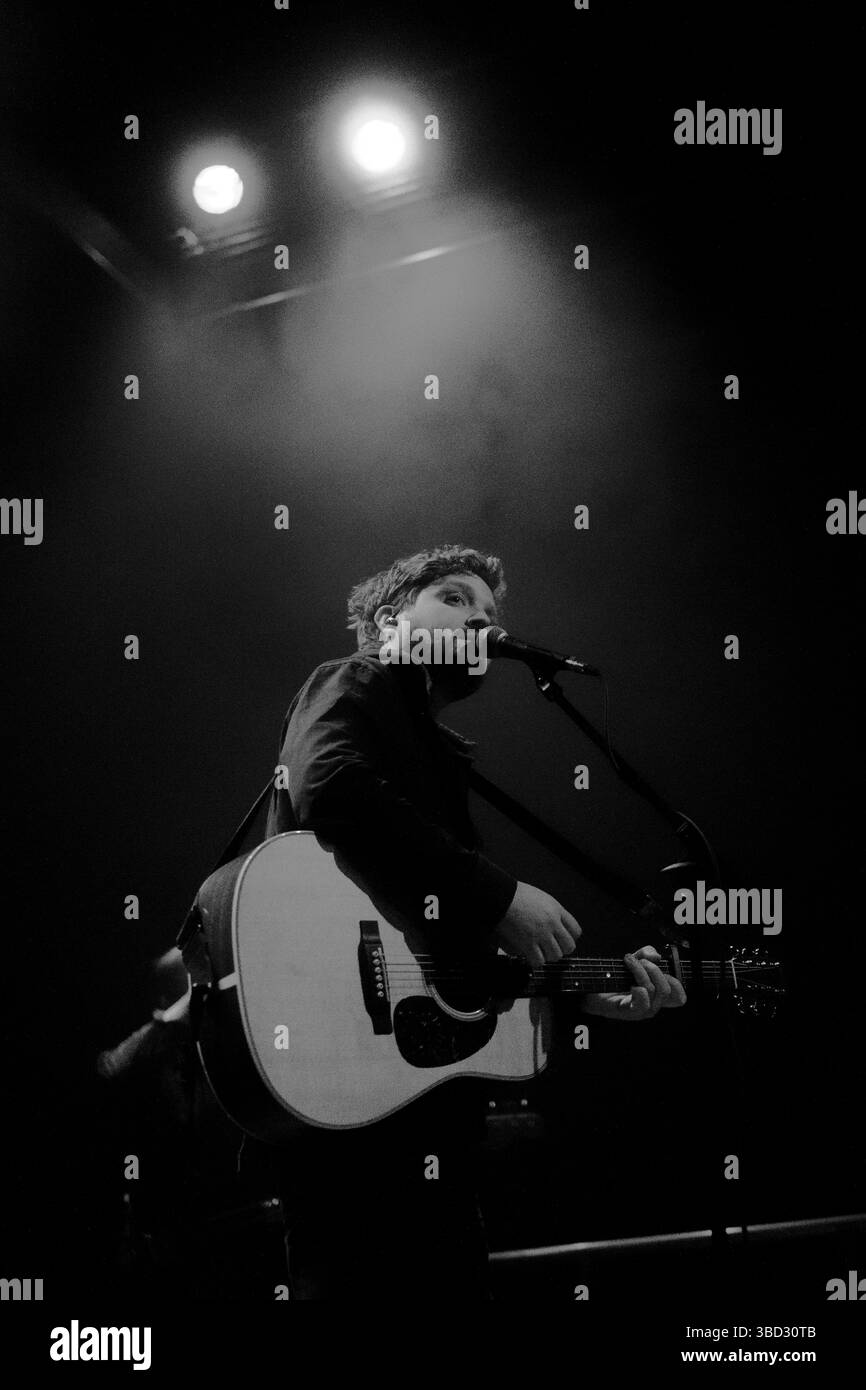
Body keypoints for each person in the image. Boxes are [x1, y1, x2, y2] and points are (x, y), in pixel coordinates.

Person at [264, 543, 685, 1299]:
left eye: (489, 613)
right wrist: (497, 895)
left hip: (413, 1101)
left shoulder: (435, 753)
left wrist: (583, 992)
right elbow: (328, 787)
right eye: (455, 600)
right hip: (345, 1085)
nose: (482, 621)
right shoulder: (354, 679)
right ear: (391, 622)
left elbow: (440, 954)